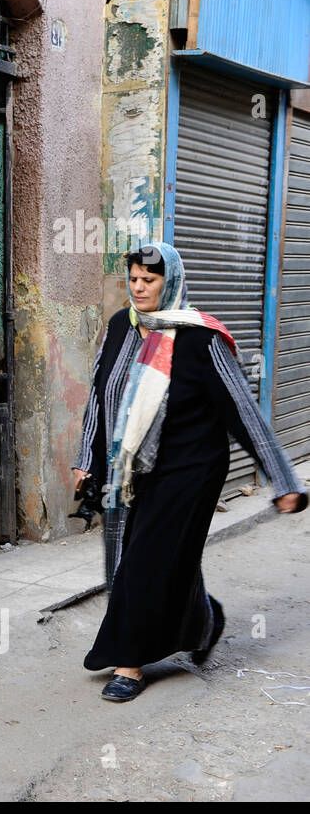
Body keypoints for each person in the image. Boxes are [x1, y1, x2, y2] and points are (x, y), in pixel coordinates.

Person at [72, 241, 307, 702]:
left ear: (171, 281)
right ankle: (204, 619)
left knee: (145, 561)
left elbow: (243, 410)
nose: (138, 288)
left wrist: (283, 478)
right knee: (134, 560)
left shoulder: (202, 337)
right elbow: (101, 394)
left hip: (190, 470)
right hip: (130, 468)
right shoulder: (122, 325)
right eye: (133, 279)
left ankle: (130, 664)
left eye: (149, 280)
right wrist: (87, 457)